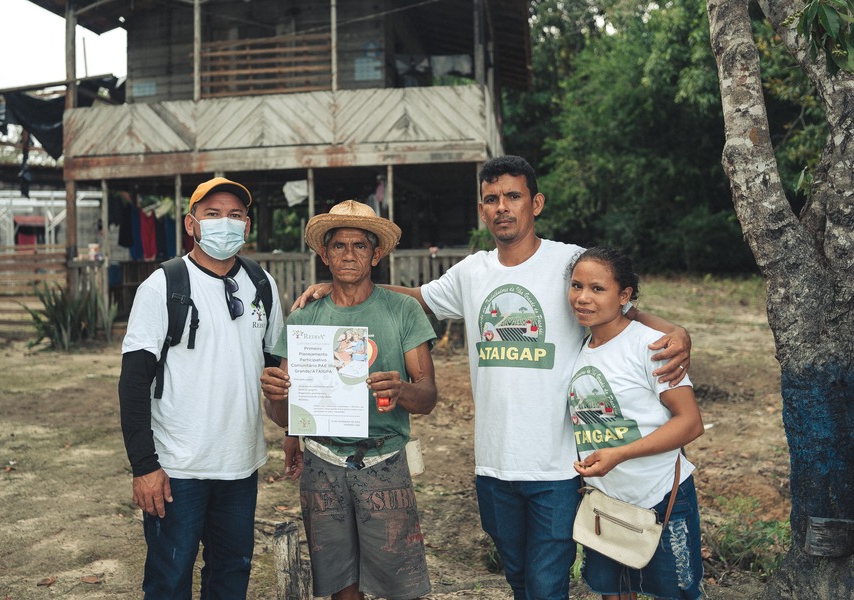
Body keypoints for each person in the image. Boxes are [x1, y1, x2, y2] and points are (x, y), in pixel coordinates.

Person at [293, 156, 691, 599]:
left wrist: (676, 332)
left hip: (558, 465)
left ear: (535, 203)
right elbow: (420, 298)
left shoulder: (569, 262)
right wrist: (343, 283)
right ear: (482, 209)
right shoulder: (471, 272)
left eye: (513, 197)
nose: (502, 207)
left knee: (546, 585)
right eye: (491, 199)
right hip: (493, 464)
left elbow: (623, 308)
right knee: (518, 580)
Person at [261, 200, 438, 600]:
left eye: (360, 245)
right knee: (341, 583)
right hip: (323, 463)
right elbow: (286, 415)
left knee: (399, 586)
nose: (349, 254)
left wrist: (401, 389)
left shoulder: (403, 311)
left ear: (376, 254)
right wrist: (275, 397)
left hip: (385, 458)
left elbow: (427, 397)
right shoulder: (305, 319)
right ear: (324, 254)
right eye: (338, 245)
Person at [118, 176, 283, 598]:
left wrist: (293, 427)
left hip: (241, 464)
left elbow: (274, 373)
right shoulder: (163, 286)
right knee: (169, 580)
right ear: (191, 224)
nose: (223, 224)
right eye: (212, 215)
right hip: (177, 469)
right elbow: (133, 384)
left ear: (247, 226)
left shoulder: (262, 285)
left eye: (234, 215)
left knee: (231, 573)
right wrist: (144, 466)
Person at [568, 246, 704, 600]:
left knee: (676, 593)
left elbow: (690, 423)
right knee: (612, 592)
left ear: (624, 295)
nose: (583, 298)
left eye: (597, 289)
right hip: (605, 500)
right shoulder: (579, 347)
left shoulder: (650, 347)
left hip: (660, 498)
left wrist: (621, 453)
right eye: (576, 286)